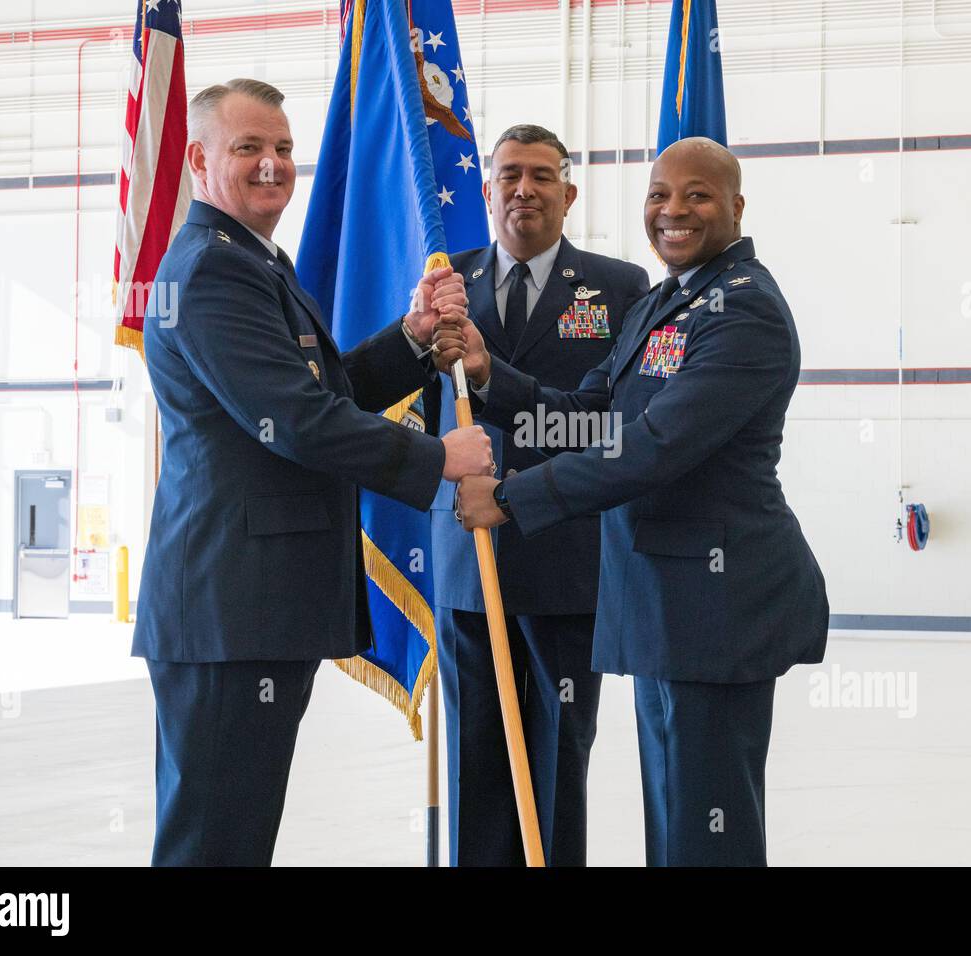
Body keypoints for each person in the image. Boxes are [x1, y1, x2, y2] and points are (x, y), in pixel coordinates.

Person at [132, 78, 493, 866]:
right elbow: (296, 422)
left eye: (284, 149)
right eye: (249, 148)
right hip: (230, 610)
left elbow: (316, 394)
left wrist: (411, 334)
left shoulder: (256, 261)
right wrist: (439, 460)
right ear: (198, 158)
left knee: (231, 831)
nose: (272, 165)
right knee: (214, 841)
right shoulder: (210, 272)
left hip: (249, 609)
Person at [444, 136, 829, 866]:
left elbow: (653, 446)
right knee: (678, 817)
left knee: (705, 827)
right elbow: (594, 416)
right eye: (658, 194)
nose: (672, 210)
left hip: (718, 606)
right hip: (665, 603)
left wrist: (514, 498)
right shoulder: (668, 302)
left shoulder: (743, 315)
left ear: (737, 208)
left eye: (697, 194)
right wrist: (489, 374)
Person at [425, 124, 649, 866]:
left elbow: (600, 422)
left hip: (564, 561)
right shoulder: (442, 280)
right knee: (474, 754)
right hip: (469, 558)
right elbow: (424, 418)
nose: (525, 189)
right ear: (486, 190)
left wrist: (495, 381)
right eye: (510, 175)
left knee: (557, 754)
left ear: (569, 192)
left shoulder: (618, 288)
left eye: (542, 176)